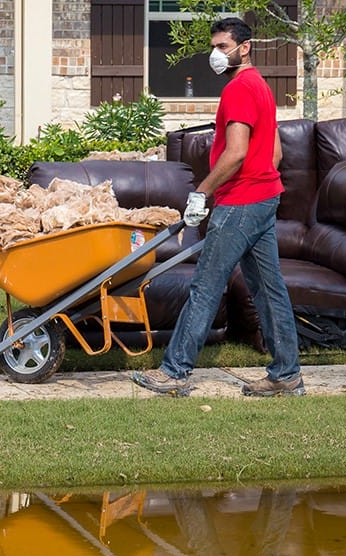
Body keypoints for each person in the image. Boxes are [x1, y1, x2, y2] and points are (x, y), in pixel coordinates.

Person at [130, 17, 303, 398]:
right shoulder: (261, 87)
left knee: (205, 286)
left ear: (245, 48)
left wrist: (202, 194)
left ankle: (174, 373)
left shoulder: (239, 90)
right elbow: (273, 154)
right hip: (263, 198)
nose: (216, 54)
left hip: (241, 203)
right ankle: (287, 375)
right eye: (214, 47)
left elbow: (237, 153)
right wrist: (256, 185)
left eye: (223, 47)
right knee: (269, 291)